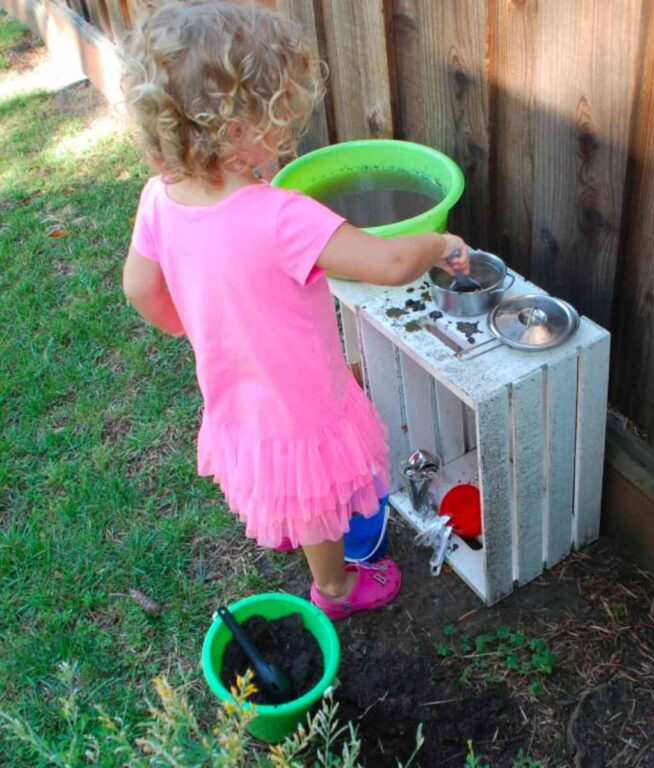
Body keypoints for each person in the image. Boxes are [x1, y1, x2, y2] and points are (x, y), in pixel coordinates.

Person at [120, 0, 469, 620]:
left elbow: (139, 289)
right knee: (314, 495)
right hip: (301, 399)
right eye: (271, 115)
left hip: (234, 385)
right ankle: (334, 590)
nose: (284, 129)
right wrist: (439, 244)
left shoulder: (160, 199)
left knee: (273, 467)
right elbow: (386, 263)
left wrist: (191, 327)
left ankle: (290, 525)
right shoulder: (282, 217)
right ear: (234, 128)